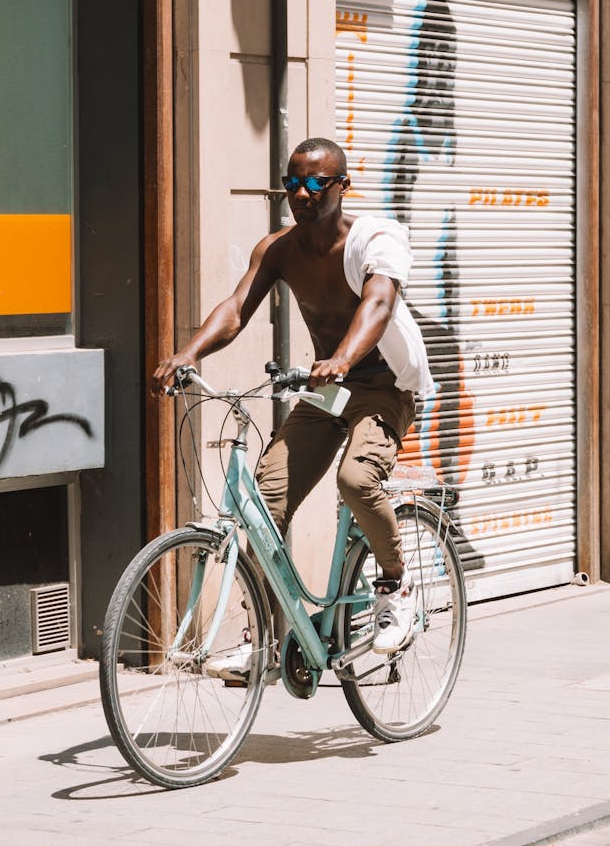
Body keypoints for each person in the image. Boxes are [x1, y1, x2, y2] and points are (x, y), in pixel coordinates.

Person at [153, 137, 435, 656]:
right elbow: (237, 308)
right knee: (264, 503)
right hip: (328, 389)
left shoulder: (377, 240)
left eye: (315, 183)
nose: (301, 194)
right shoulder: (279, 249)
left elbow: (377, 303)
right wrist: (190, 352)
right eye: (292, 183)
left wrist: (344, 359)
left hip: (382, 384)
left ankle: (397, 585)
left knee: (356, 479)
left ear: (342, 186)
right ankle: (261, 636)